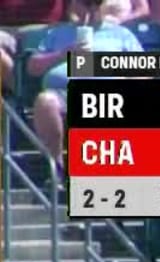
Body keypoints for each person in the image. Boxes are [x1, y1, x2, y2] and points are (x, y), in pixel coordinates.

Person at [26, 0, 143, 163]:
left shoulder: (121, 34)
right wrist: (63, 54)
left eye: (96, 3)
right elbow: (32, 67)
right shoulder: (57, 33)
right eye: (86, 3)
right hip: (64, 94)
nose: (91, 8)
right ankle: (57, 167)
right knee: (45, 102)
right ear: (75, 5)